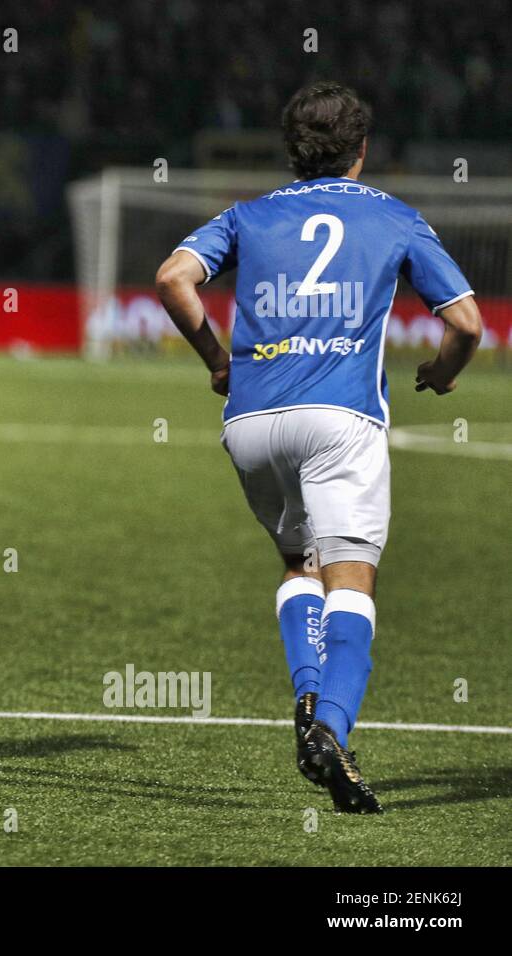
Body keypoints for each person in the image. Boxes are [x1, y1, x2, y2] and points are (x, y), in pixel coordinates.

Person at [154, 82, 482, 812]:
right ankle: (329, 729)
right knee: (351, 580)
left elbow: (174, 278)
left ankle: (308, 693)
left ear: (291, 151)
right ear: (361, 150)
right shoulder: (394, 217)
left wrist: (217, 360)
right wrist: (440, 372)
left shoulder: (248, 214)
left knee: (299, 561)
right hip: (340, 419)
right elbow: (466, 323)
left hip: (251, 423)